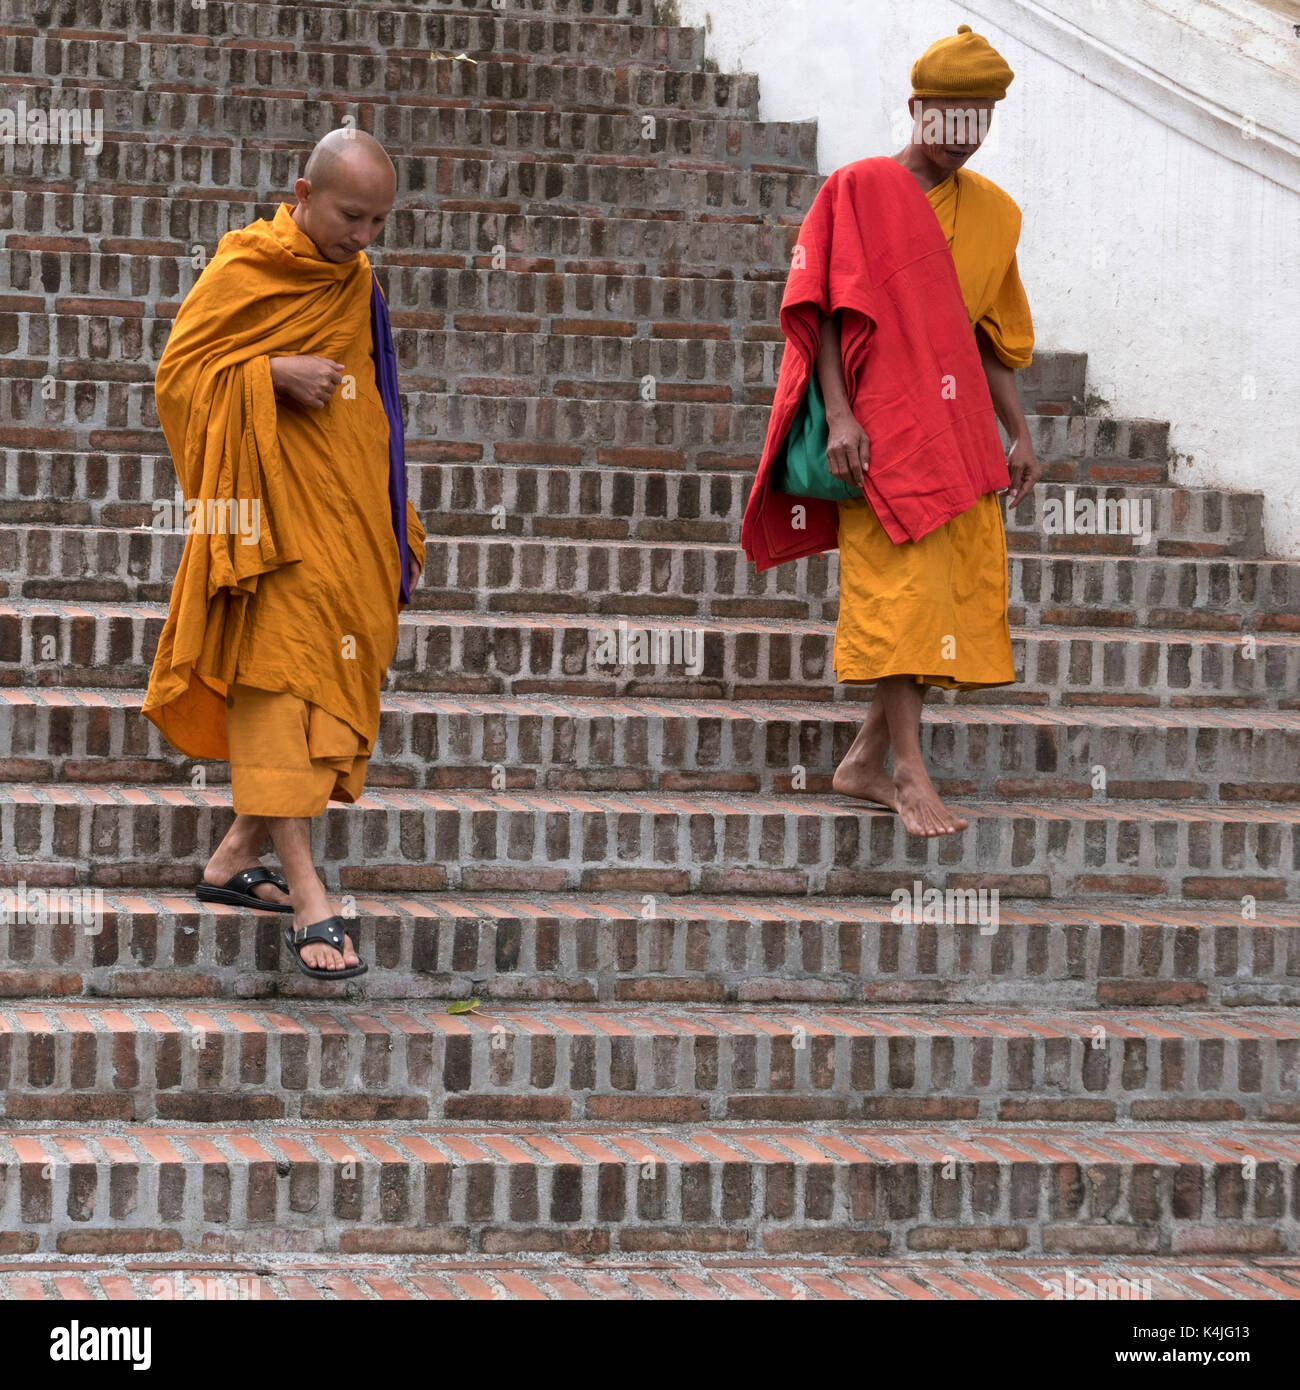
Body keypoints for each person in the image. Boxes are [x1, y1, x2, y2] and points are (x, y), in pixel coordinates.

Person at [742, 24, 1041, 838]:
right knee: (902, 599)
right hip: (881, 433)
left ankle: (864, 761)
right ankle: (909, 772)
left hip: (960, 440)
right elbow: (829, 315)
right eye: (949, 116)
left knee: (945, 600)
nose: (962, 136)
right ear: (917, 109)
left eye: (979, 119)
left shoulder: (996, 216)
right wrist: (839, 414)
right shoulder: (861, 188)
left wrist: (1019, 434)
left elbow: (991, 340)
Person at [141, 129, 426, 976]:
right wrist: (267, 374)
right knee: (279, 683)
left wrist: (390, 509)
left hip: (347, 511)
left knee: (333, 677)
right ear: (301, 191)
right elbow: (179, 379)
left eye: (378, 221)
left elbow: (380, 396)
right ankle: (310, 897)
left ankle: (232, 862)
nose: (364, 236)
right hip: (268, 524)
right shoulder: (244, 266)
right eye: (350, 215)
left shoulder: (358, 279)